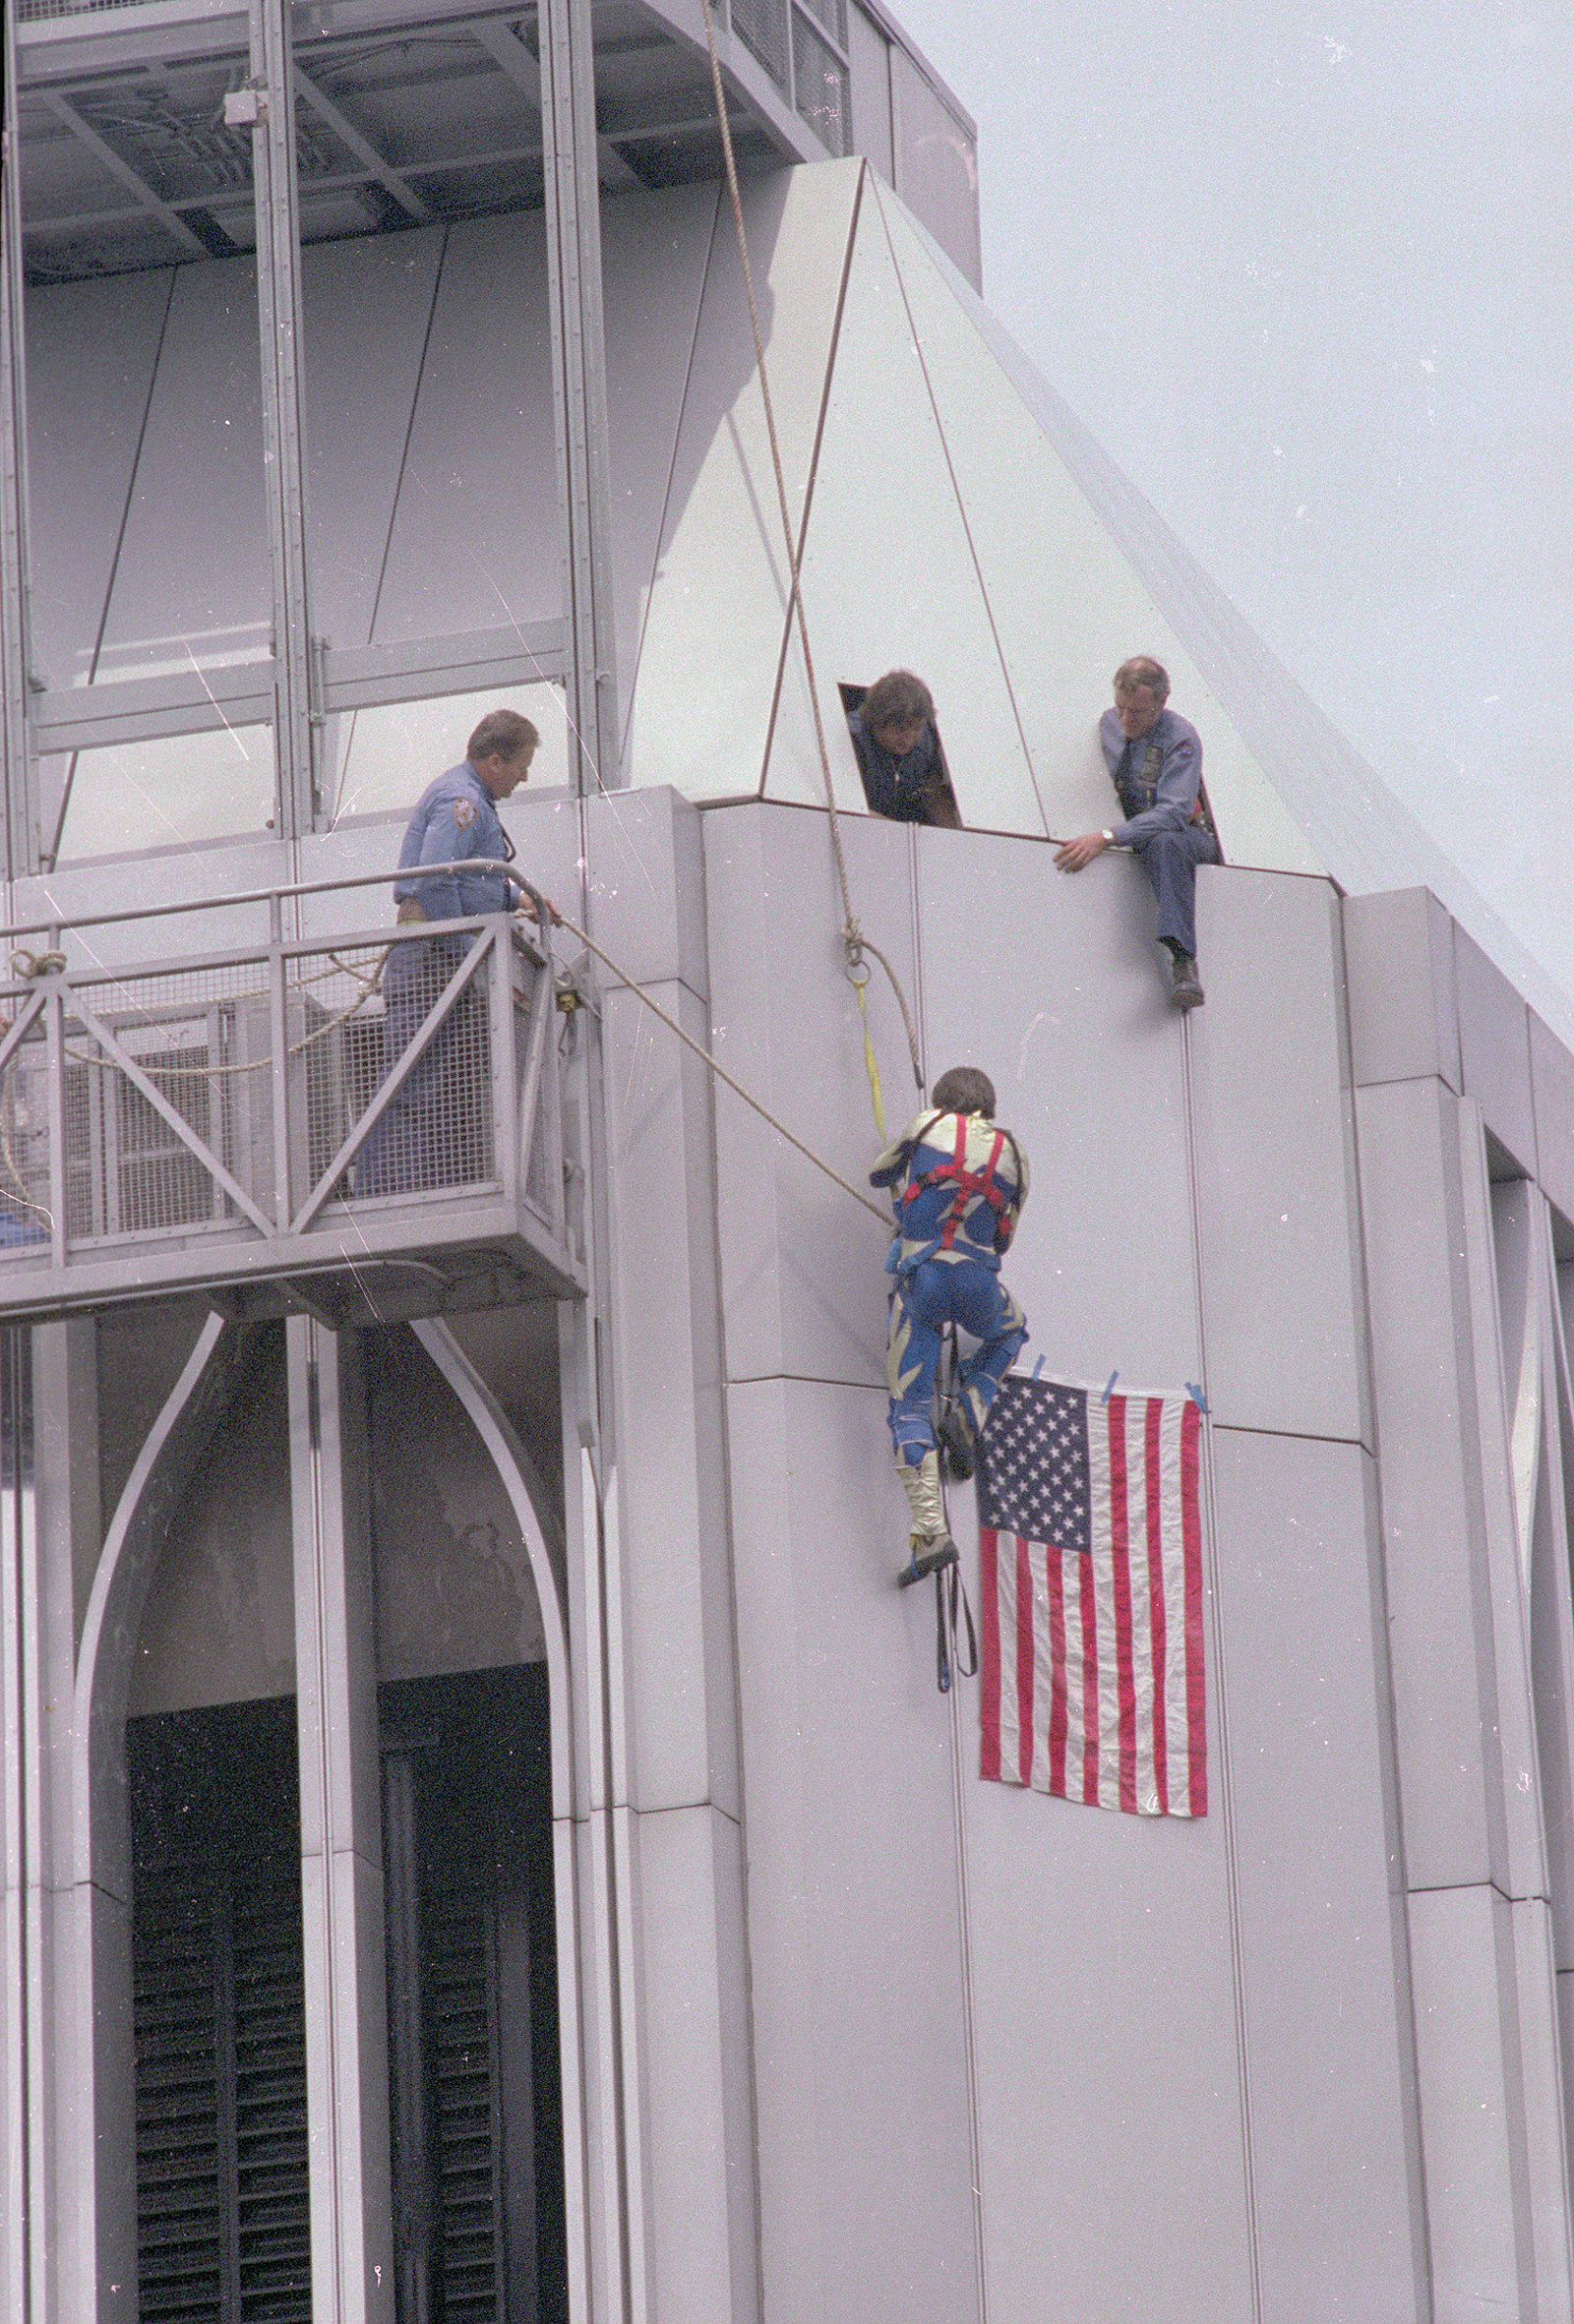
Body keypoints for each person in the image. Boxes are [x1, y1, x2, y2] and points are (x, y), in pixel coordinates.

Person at [356, 708, 540, 1196]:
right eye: (521, 764)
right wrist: (470, 957)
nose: (525, 776)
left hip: (437, 956)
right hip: (432, 958)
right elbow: (435, 882)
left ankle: (410, 1187)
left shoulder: (472, 800)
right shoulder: (463, 802)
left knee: (432, 1084)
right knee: (410, 1079)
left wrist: (519, 900)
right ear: (496, 761)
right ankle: (381, 1193)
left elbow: (468, 882)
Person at [871, 1066, 1029, 1585]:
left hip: (923, 1285)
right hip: (978, 1283)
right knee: (1011, 1331)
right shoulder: (1015, 1154)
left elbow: (879, 1173)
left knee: (909, 1407)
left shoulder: (926, 1124)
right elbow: (1003, 1240)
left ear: (943, 1098)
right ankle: (972, 1403)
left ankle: (932, 1532)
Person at [1054, 656, 1220, 1009]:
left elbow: (1174, 812)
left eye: (1138, 713)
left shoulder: (1181, 738)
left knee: (1167, 843)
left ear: (1161, 703)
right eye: (1120, 708)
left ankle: (1183, 962)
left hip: (1182, 834)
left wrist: (1108, 837)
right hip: (1136, 831)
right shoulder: (1109, 726)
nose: (1126, 720)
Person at [846, 670, 960, 827]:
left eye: (916, 728)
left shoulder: (926, 742)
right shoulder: (852, 739)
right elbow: (846, 805)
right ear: (876, 721)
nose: (908, 739)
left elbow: (934, 795)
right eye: (900, 729)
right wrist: (898, 832)